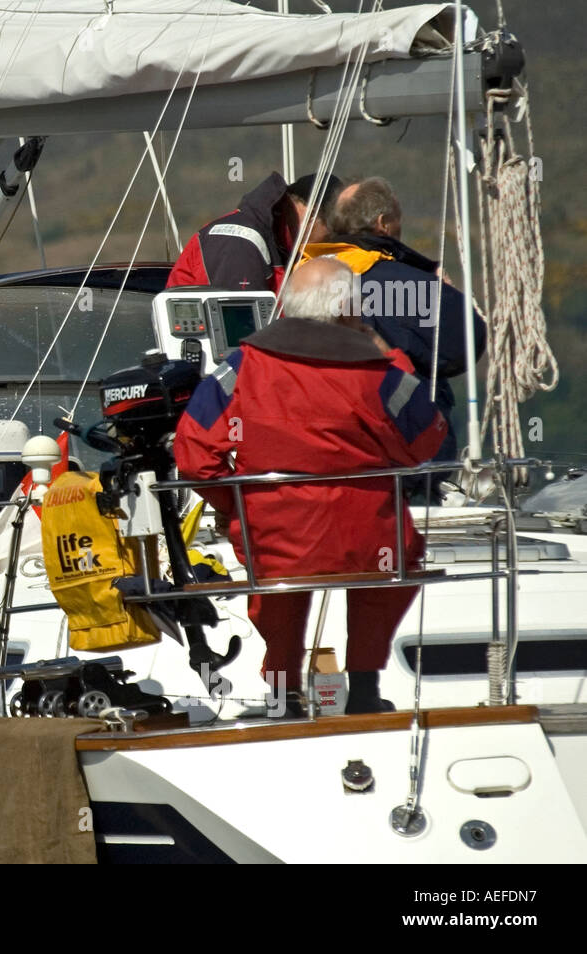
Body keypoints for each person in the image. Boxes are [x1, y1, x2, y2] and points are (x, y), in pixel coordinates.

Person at [174, 257, 448, 713]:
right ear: (346, 309)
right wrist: (390, 355)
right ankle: (363, 691)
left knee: (280, 593)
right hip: (368, 540)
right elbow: (427, 440)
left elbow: (194, 456)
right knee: (393, 561)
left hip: (274, 538)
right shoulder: (381, 371)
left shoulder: (242, 364)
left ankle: (284, 695)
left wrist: (236, 506)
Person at [304, 175, 486, 477]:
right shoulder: (403, 283)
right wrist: (442, 293)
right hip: (406, 453)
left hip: (323, 451)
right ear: (383, 223)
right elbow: (465, 340)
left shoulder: (302, 275)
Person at [166, 171, 343, 293]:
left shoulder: (275, 242)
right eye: (332, 234)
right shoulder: (240, 243)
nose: (330, 243)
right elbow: (240, 332)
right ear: (312, 216)